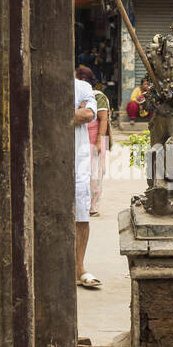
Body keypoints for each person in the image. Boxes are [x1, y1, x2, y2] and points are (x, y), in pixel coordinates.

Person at [74, 75, 100, 288]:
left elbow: (89, 114)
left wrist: (54, 114)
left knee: (82, 215)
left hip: (77, 163)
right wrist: (75, 112)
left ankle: (78, 267)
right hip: (45, 160)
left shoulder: (82, 87)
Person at [77, 65, 110, 216]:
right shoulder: (79, 94)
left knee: (95, 174)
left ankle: (93, 206)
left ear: (83, 79)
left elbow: (103, 120)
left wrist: (99, 142)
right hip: (83, 139)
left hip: (96, 139)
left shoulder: (98, 96)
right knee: (82, 172)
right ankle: (82, 203)